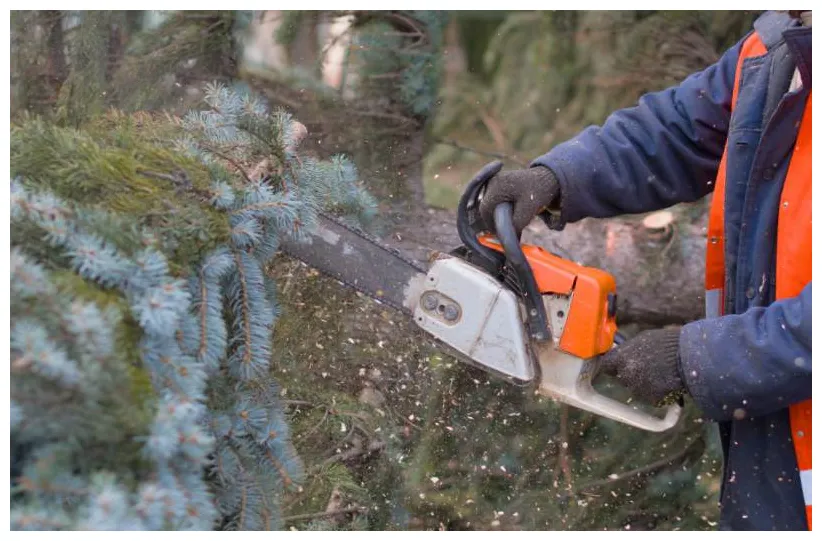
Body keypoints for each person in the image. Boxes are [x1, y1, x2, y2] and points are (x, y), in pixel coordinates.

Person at [477, 10, 811, 531]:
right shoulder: (780, 48)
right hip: (778, 441)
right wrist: (558, 177)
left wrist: (698, 356)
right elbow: (677, 130)